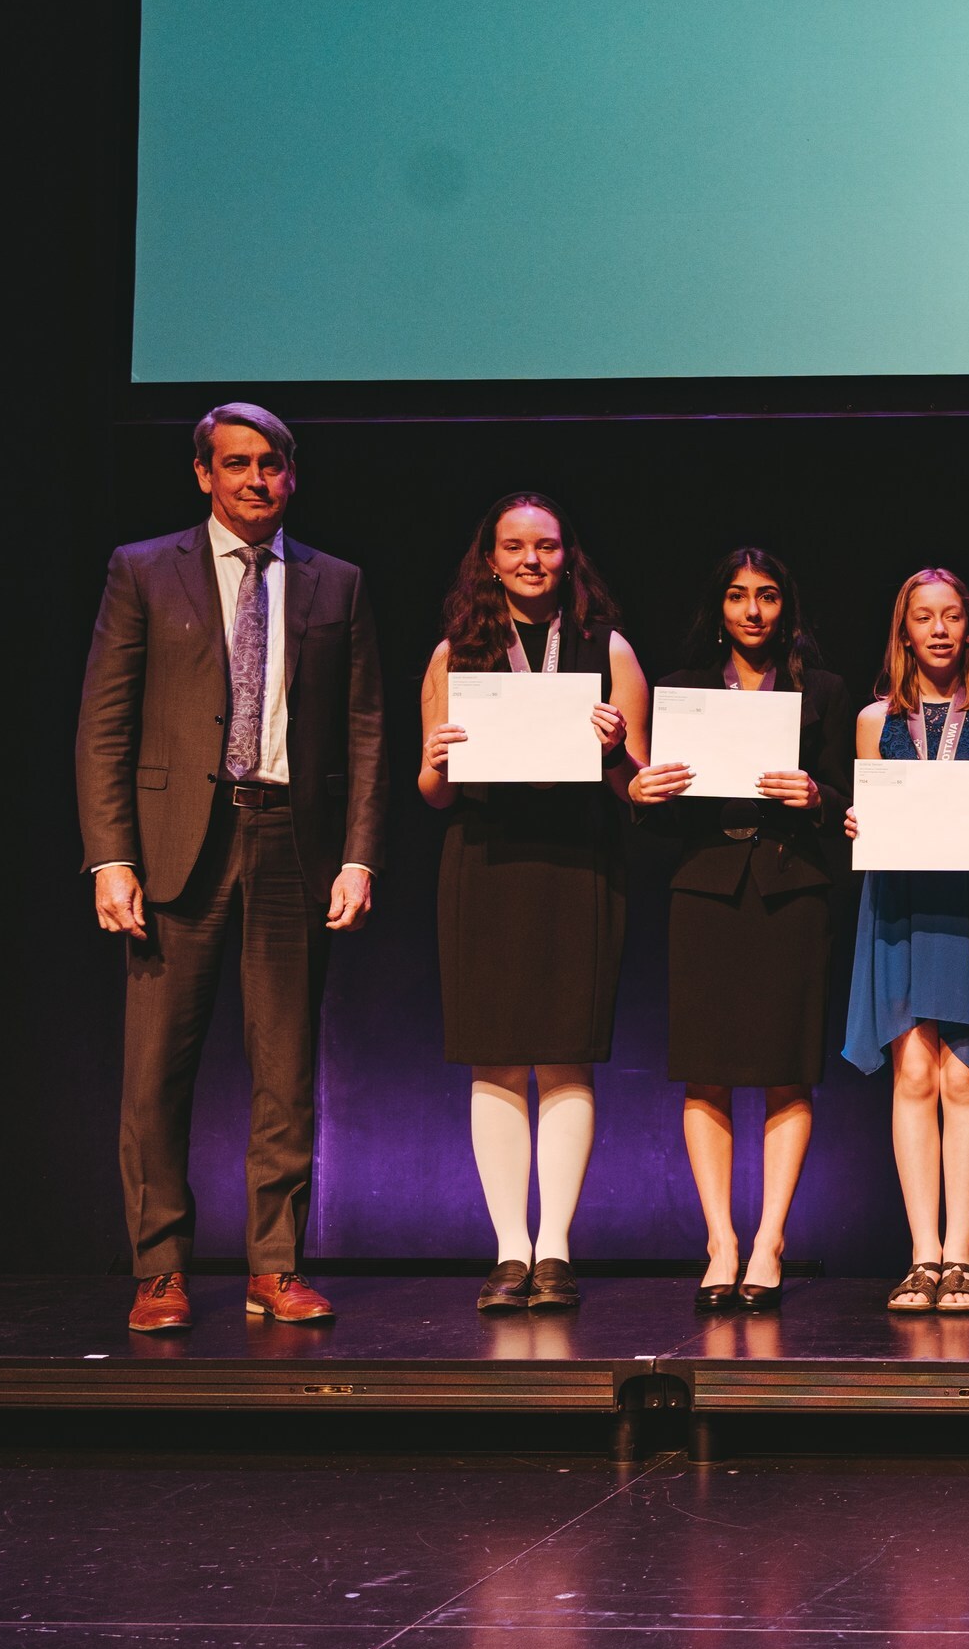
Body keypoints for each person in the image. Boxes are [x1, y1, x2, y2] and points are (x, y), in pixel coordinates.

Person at [77, 404, 384, 1331]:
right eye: (238, 463)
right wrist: (111, 857)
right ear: (203, 474)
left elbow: (366, 731)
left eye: (272, 464)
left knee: (286, 1071)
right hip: (176, 849)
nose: (257, 479)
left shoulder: (337, 582)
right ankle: (160, 1270)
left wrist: (359, 856)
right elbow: (104, 724)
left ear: (293, 475)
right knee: (156, 1073)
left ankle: (275, 1266)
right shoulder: (143, 569)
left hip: (292, 843)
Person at [418, 492, 649, 1314]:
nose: (530, 561)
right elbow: (433, 792)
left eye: (546, 547)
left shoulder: (607, 648)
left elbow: (638, 789)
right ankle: (508, 1251)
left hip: (578, 862)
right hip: (486, 861)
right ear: (489, 560)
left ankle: (555, 1250)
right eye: (514, 547)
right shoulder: (457, 653)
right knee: (494, 1057)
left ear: (567, 555)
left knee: (565, 1056)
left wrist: (617, 750)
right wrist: (438, 759)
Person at [628, 549, 854, 1314]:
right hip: (705, 888)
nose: (752, 610)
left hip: (792, 890)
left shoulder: (823, 690)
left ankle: (770, 1241)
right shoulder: (687, 689)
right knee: (707, 1071)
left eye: (766, 596)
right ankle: (721, 1241)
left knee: (788, 1069)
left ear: (786, 607)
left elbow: (850, 800)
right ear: (718, 608)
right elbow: (661, 812)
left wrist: (816, 797)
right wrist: (644, 794)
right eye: (736, 595)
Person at [842, 568, 969, 1315]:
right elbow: (870, 810)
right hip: (900, 904)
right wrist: (858, 823)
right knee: (914, 1074)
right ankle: (922, 1255)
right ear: (905, 631)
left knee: (962, 1076)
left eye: (952, 616)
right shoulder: (873, 720)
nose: (940, 630)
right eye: (925, 617)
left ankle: (962, 1256)